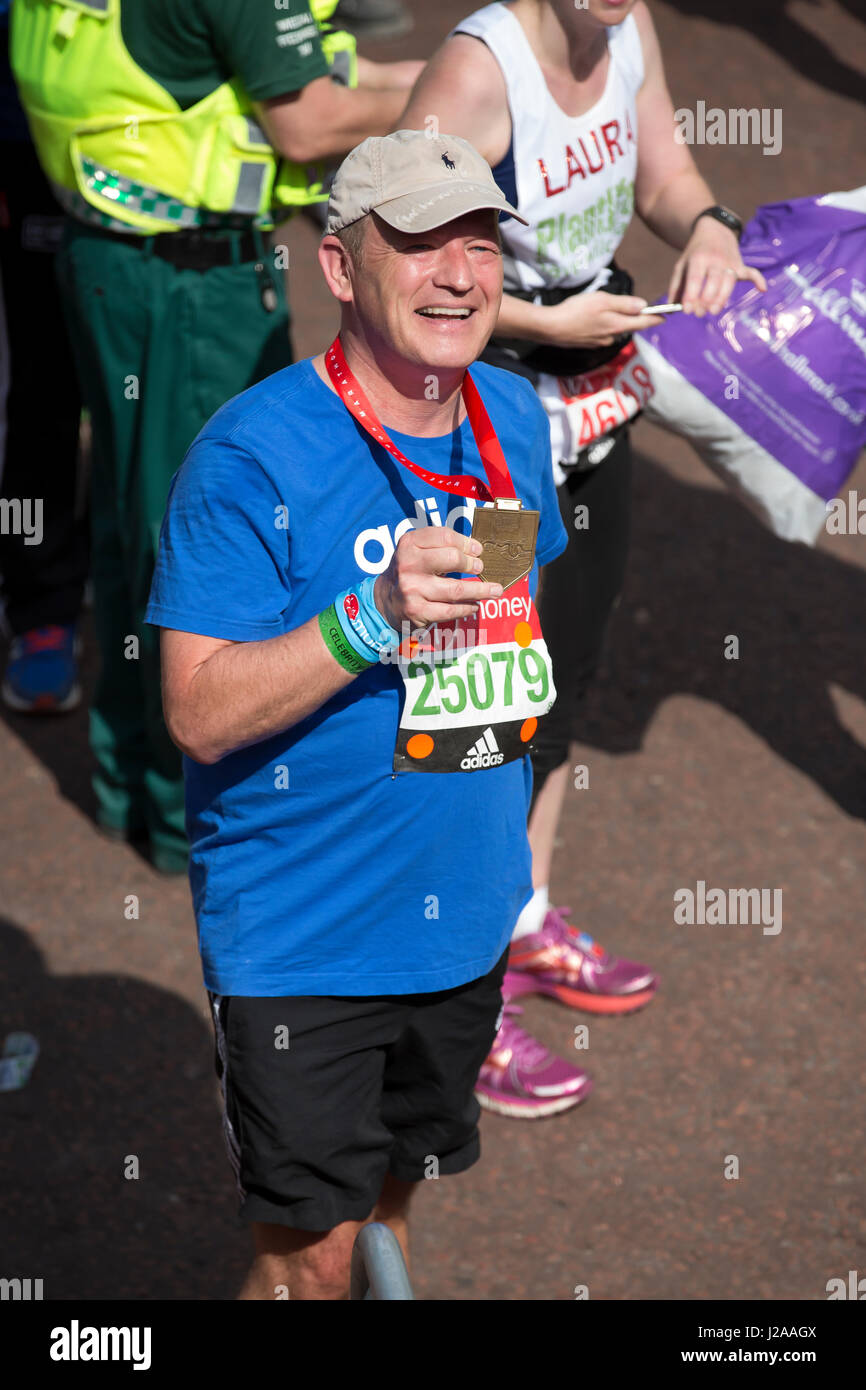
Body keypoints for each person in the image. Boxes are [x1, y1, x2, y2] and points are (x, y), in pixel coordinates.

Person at [145, 128, 568, 1298]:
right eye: (418, 241)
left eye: (477, 241)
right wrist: (368, 615)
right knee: (310, 1256)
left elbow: (526, 619)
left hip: (465, 918)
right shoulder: (250, 458)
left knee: (389, 1203)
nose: (457, 272)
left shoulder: (511, 419)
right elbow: (195, 711)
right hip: (306, 939)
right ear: (340, 268)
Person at [401, 0, 767, 1116]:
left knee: (557, 680)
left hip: (595, 410)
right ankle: (451, 1003)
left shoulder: (625, 27)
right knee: (473, 709)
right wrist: (536, 320)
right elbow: (390, 263)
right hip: (489, 427)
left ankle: (517, 925)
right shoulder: (478, 69)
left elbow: (660, 174)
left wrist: (706, 222)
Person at [10, 0, 419, 871]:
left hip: (109, 251)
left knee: (134, 520)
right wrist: (460, 86)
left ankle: (133, 784)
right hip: (194, 285)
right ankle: (192, 816)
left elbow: (312, 69)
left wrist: (407, 75)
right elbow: (308, 121)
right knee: (203, 546)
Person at [0, 0, 86, 713]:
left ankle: (156, 620)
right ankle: (39, 609)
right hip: (28, 157)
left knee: (155, 423)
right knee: (39, 405)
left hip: (161, 173)